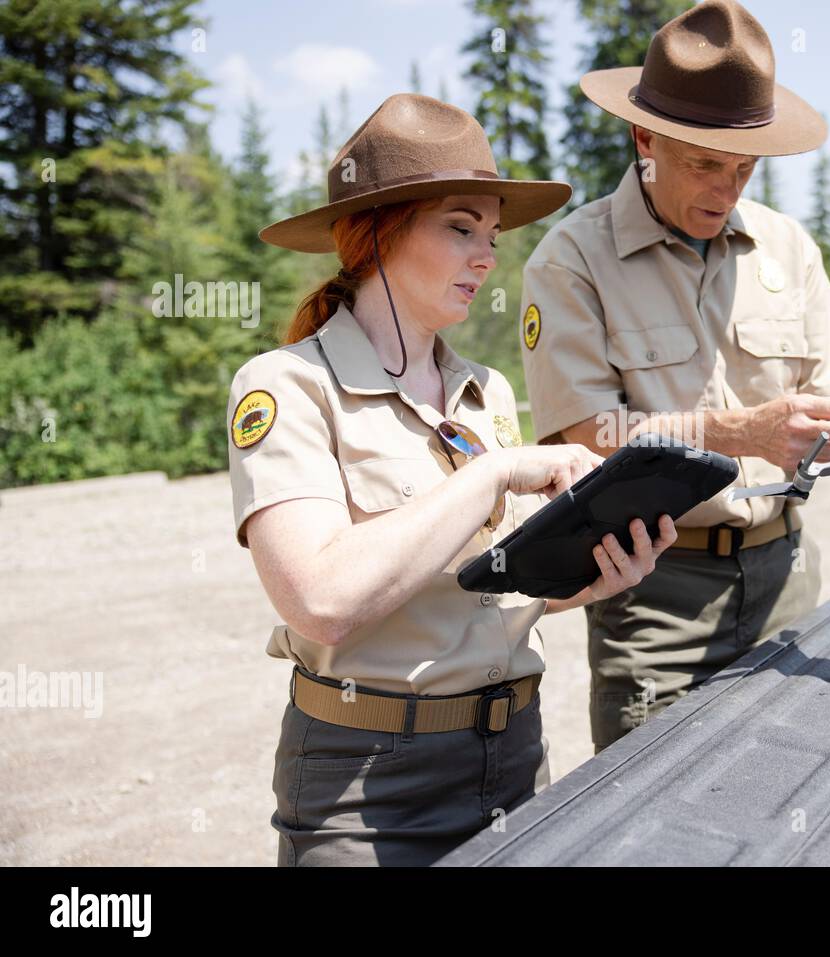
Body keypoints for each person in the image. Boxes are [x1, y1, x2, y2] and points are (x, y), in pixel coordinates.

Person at [227, 93, 676, 866]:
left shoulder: (487, 393)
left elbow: (486, 588)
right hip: (366, 786)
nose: (485, 256)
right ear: (379, 231)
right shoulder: (287, 386)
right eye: (460, 227)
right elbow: (321, 600)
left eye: (492, 236)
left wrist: (588, 578)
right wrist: (497, 470)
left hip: (513, 759)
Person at [519, 0, 830, 753]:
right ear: (645, 137)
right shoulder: (571, 262)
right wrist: (745, 433)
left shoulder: (787, 247)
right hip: (655, 599)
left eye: (744, 168)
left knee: (795, 786)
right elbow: (589, 440)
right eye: (704, 163)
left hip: (786, 577)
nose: (727, 191)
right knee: (655, 821)